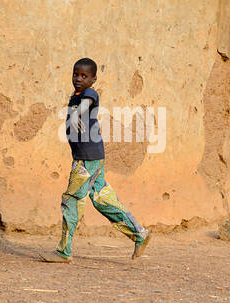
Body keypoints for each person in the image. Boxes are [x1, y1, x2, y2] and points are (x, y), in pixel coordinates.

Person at [40, 58, 150, 262]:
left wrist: (74, 117)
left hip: (86, 159)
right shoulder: (76, 95)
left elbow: (86, 104)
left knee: (72, 200)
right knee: (102, 199)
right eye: (76, 74)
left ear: (93, 79)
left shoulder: (90, 94)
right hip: (93, 157)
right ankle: (139, 233)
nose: (78, 79)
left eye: (84, 76)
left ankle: (64, 252)